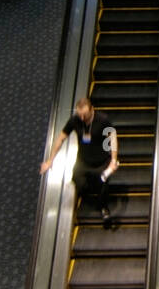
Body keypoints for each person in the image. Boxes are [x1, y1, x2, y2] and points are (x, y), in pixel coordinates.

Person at [40, 96, 120, 228]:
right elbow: (60, 139)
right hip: (83, 160)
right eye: (80, 115)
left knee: (103, 186)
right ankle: (91, 188)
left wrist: (113, 160)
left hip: (101, 160)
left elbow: (112, 138)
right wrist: (50, 160)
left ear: (92, 110)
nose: (82, 119)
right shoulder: (75, 120)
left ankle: (104, 208)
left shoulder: (103, 120)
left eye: (85, 116)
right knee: (78, 182)